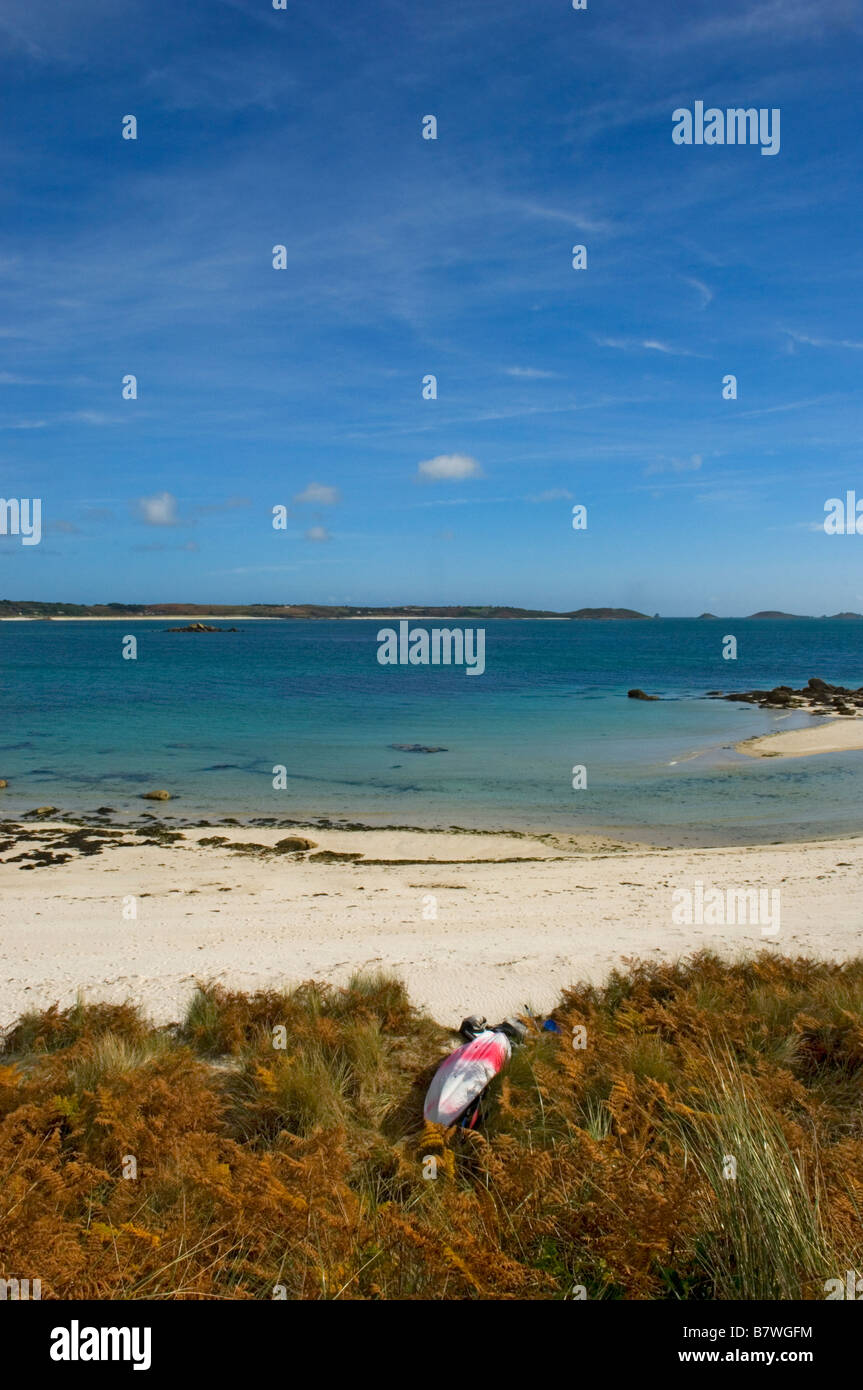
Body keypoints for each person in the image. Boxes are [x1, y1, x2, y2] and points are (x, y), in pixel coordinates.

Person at [423, 1015, 526, 1129]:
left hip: (485, 1054)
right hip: (485, 1055)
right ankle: (444, 1116)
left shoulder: (484, 1035)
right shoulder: (493, 1037)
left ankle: (444, 1116)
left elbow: (467, 1026)